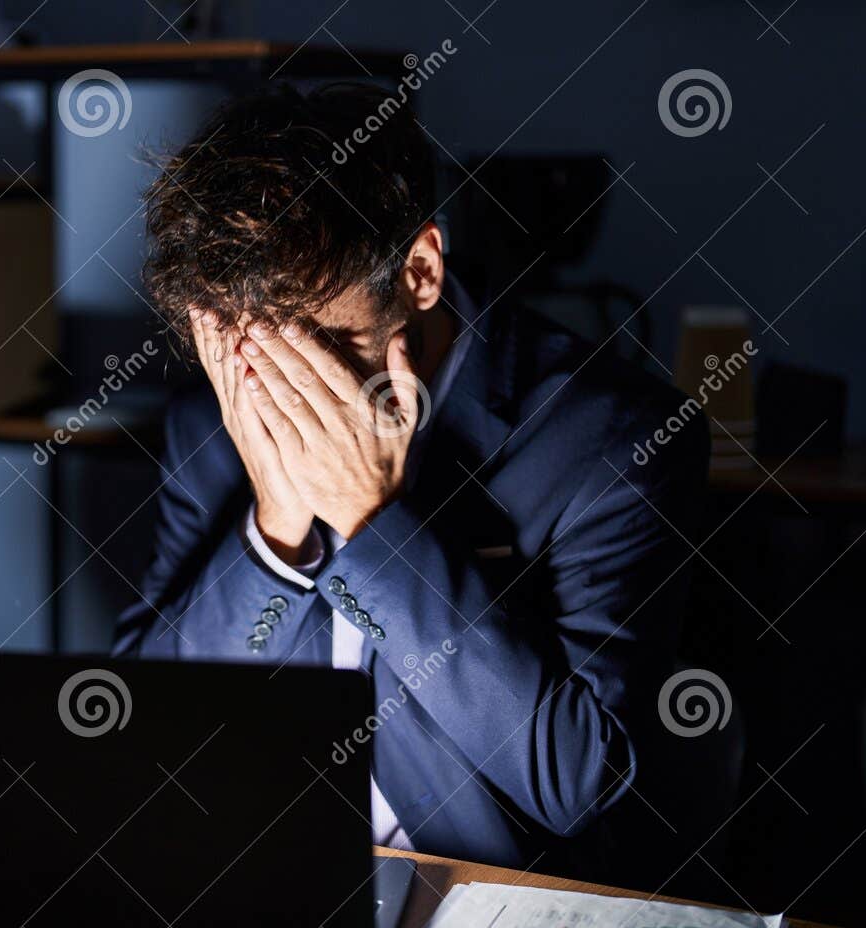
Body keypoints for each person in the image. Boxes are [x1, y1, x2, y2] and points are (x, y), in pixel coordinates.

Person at [113, 84, 712, 882]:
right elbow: (148, 730)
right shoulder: (214, 419)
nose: (278, 386)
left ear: (420, 271)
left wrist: (371, 526)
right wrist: (277, 530)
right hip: (258, 879)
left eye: (316, 341)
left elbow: (577, 781)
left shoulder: (615, 440)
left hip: (490, 908)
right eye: (249, 345)